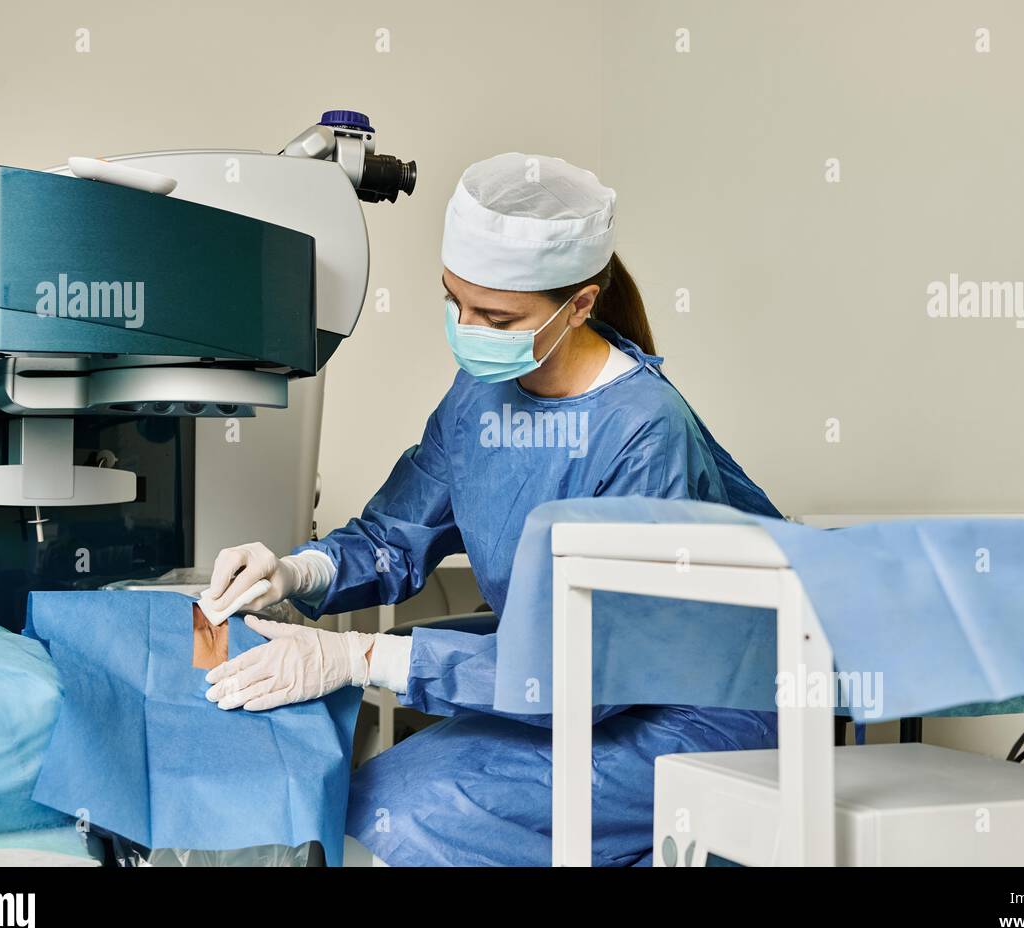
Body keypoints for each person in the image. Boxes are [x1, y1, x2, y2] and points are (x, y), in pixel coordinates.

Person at [200, 152, 781, 866]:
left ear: (580, 307)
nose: (467, 327)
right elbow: (393, 535)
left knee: (403, 817)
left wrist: (361, 656)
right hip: (556, 685)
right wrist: (296, 572)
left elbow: (603, 672)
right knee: (363, 798)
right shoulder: (481, 394)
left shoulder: (645, 431)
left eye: (497, 316)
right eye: (455, 302)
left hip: (689, 713)